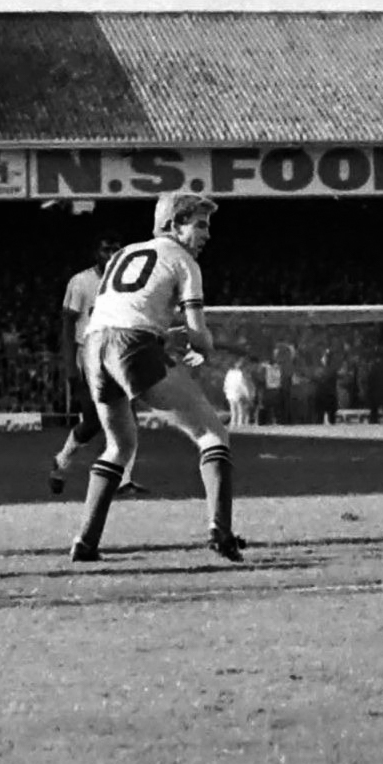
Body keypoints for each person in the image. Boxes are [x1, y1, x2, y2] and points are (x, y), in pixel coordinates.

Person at [68, 191, 243, 563]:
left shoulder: (124, 254)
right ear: (172, 225)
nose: (206, 234)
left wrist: (161, 338)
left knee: (120, 445)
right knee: (212, 432)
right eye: (199, 224)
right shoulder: (183, 261)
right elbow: (198, 335)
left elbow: (120, 311)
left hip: (93, 347)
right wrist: (203, 347)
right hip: (131, 345)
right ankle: (221, 530)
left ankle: (85, 541)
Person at [48, 234, 148, 496]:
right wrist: (70, 365)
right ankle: (62, 459)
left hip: (118, 353)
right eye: (106, 249)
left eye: (116, 248)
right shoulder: (81, 282)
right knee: (93, 420)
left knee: (128, 417)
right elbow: (68, 323)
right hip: (88, 355)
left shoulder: (130, 281)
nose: (112, 253)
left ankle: (124, 480)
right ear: (97, 253)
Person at [223, 356, 257, 427]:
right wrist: (249, 396)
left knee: (234, 412)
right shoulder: (243, 374)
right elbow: (245, 385)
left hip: (230, 395)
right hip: (240, 395)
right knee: (242, 412)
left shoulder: (230, 373)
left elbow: (226, 384)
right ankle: (241, 425)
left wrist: (226, 392)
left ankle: (233, 426)